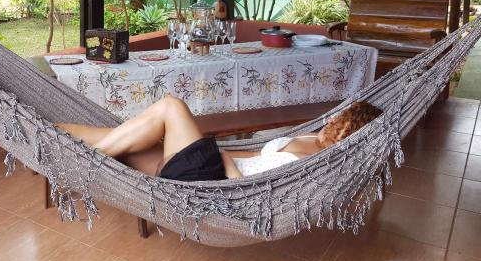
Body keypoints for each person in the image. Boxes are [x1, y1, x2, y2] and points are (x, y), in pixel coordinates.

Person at [57, 96, 382, 181]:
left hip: (215, 183)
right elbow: (256, 156)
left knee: (171, 106)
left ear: (349, 132)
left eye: (340, 121)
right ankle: (49, 133)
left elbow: (254, 189)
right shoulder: (310, 139)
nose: (331, 120)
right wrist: (224, 152)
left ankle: (88, 162)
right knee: (111, 138)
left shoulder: (319, 164)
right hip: (210, 165)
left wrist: (227, 165)